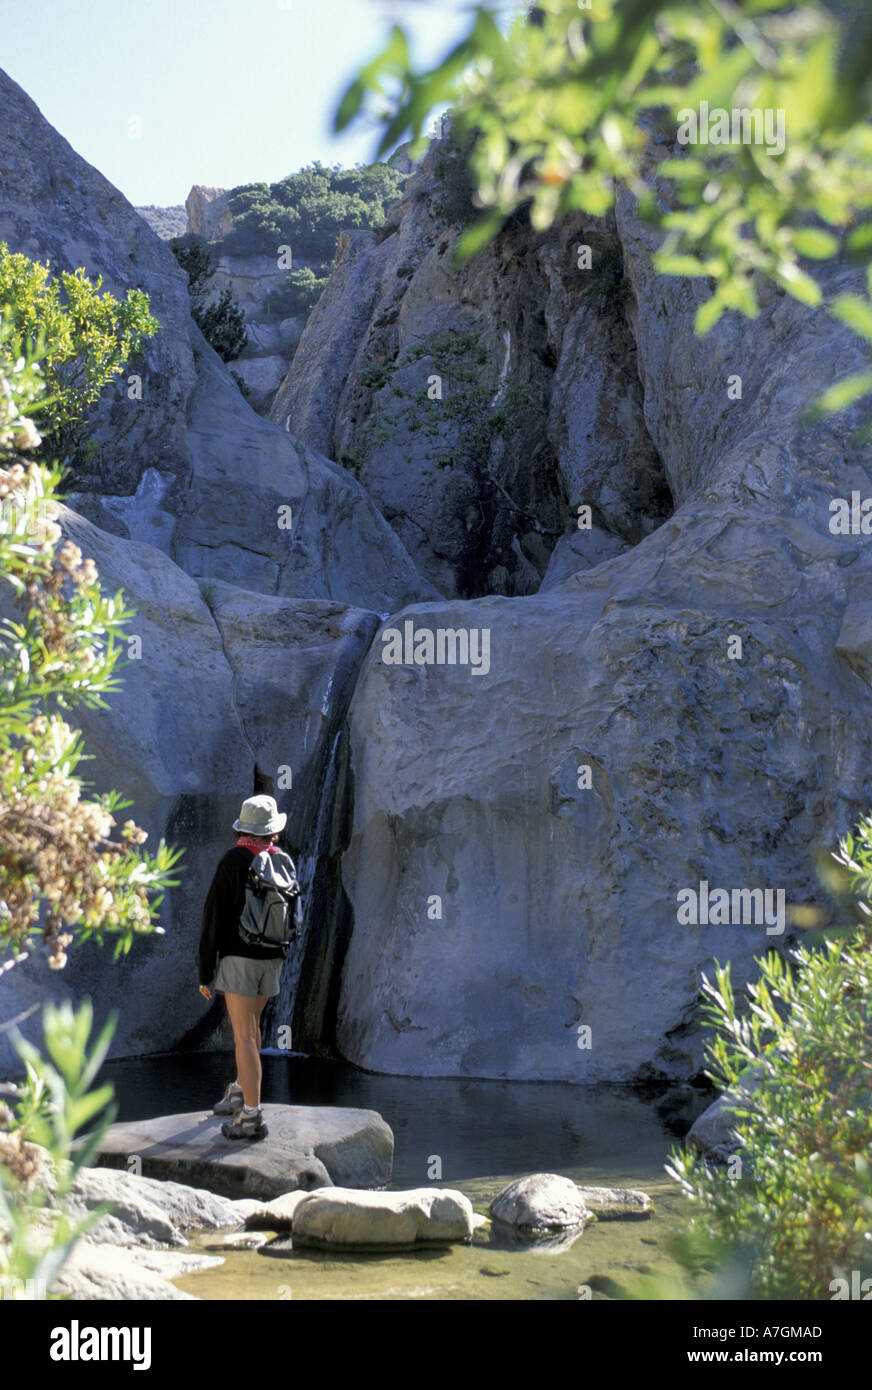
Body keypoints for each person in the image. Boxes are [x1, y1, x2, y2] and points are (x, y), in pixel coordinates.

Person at [198, 794, 288, 1141]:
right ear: (271, 831)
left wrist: (205, 971)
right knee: (252, 1029)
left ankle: (251, 1116)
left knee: (243, 1036)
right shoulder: (281, 860)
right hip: (272, 960)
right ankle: (239, 1090)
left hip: (239, 961)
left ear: (243, 828)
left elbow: (213, 920)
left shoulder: (234, 861)